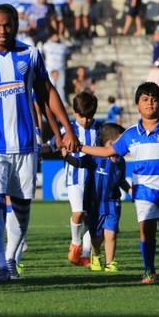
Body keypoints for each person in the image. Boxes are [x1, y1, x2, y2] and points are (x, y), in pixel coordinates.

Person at [0, 4, 79, 281]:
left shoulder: (30, 54)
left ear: (16, 25)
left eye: (7, 25)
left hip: (25, 145)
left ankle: (11, 259)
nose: (1, 31)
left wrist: (65, 130)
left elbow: (47, 94)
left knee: (21, 208)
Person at [79, 82, 159, 283]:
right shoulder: (130, 134)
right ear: (137, 105)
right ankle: (149, 270)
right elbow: (108, 151)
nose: (150, 104)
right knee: (146, 230)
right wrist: (81, 146)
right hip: (144, 190)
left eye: (154, 100)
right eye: (145, 100)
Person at [61, 123, 129, 272]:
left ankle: (110, 263)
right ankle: (96, 254)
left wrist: (130, 190)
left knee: (111, 234)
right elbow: (78, 162)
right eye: (122, 141)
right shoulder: (95, 158)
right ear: (111, 143)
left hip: (113, 203)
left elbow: (121, 180)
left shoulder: (121, 162)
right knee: (97, 238)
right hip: (95, 205)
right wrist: (67, 157)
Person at [60, 92, 102, 267]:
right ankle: (75, 243)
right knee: (77, 212)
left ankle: (85, 254)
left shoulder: (99, 129)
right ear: (74, 112)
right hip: (75, 178)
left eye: (89, 116)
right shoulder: (67, 129)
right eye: (82, 116)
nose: (85, 120)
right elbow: (54, 142)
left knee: (89, 218)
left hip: (93, 179)